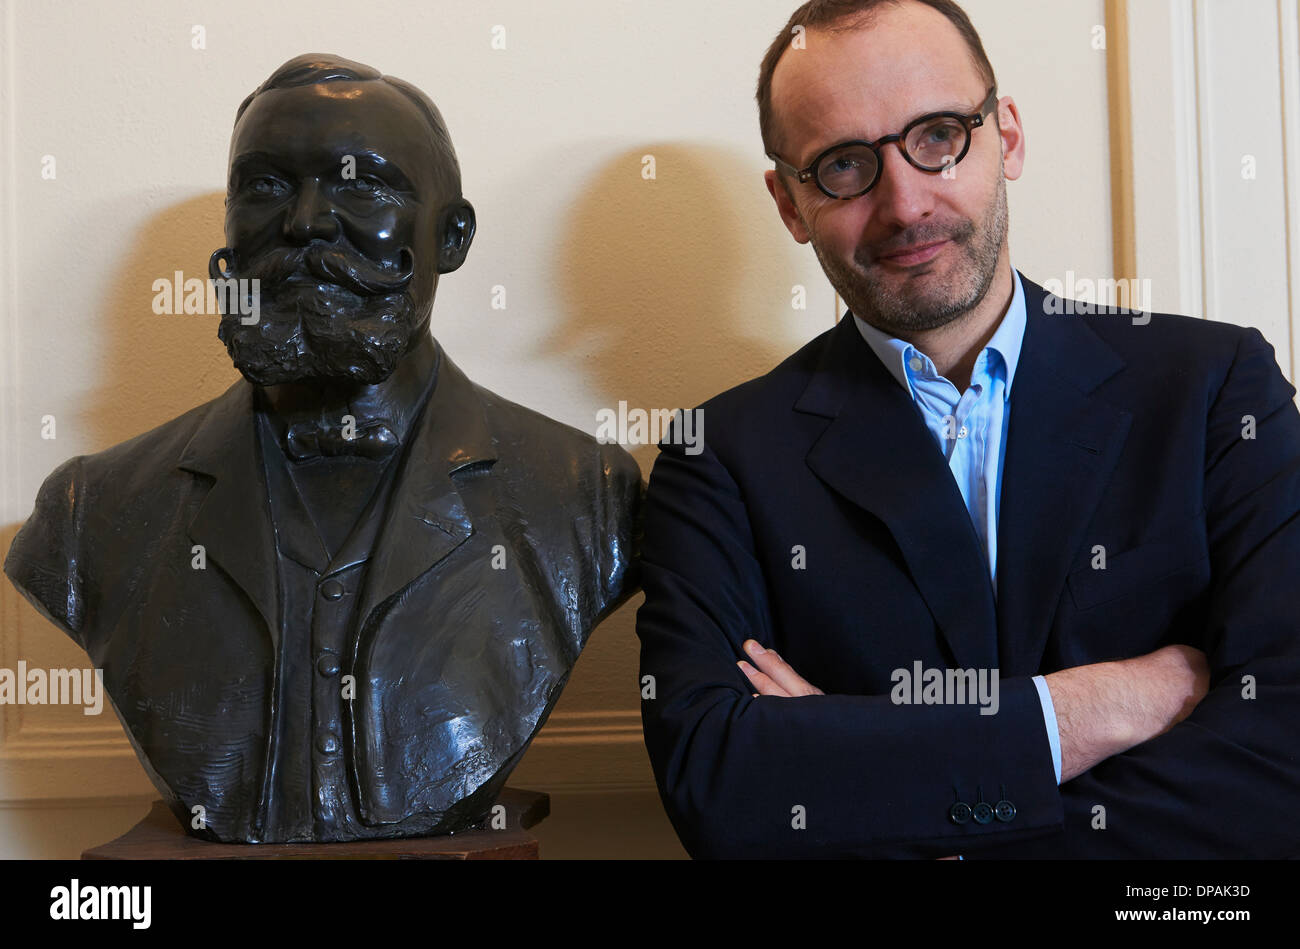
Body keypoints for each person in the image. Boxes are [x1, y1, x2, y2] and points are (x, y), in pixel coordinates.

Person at [636, 0, 1300, 858]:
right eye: (843, 165)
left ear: (1007, 136)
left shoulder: (1216, 387)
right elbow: (721, 784)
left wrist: (880, 780)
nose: (906, 204)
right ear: (789, 203)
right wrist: (1088, 710)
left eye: (938, 135)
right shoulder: (718, 456)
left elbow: (1282, 761)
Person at [4, 54, 642, 844]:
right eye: (265, 185)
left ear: (452, 235)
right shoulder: (90, 512)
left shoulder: (587, 496)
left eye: (364, 184)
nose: (305, 220)